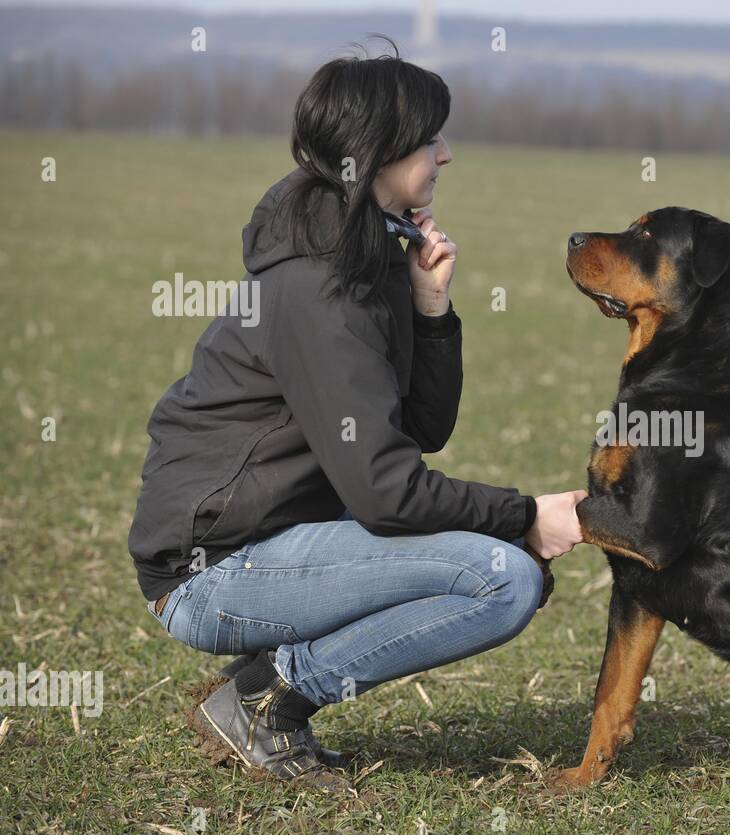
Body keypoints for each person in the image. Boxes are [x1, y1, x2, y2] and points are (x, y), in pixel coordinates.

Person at [127, 43, 585, 792]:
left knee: (501, 556)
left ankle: (260, 685)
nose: (446, 153)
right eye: (430, 138)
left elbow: (422, 431)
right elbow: (386, 493)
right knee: (502, 577)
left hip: (277, 534)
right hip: (210, 571)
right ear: (379, 150)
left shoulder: (362, 251)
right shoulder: (319, 287)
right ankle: (264, 700)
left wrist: (430, 309)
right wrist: (525, 515)